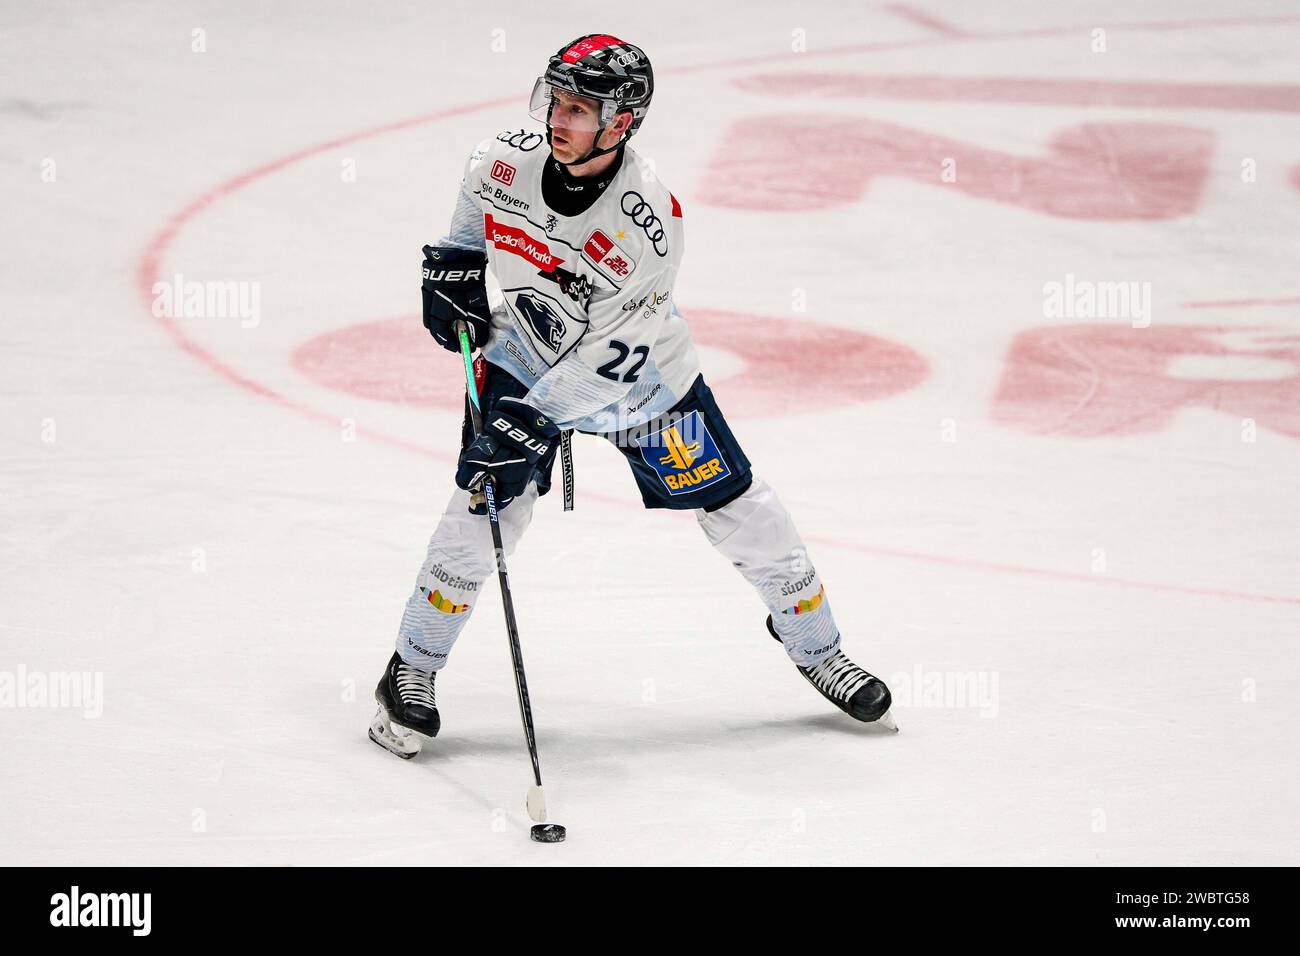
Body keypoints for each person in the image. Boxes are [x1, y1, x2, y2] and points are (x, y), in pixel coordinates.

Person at [369, 33, 896, 759]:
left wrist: (533, 421)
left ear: (620, 123)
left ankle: (818, 648)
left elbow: (613, 357)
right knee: (484, 508)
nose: (559, 117)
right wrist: (456, 267)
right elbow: (472, 218)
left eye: (580, 107)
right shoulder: (502, 158)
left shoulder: (648, 222)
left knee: (746, 513)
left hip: (641, 388)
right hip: (523, 352)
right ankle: (411, 670)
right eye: (556, 99)